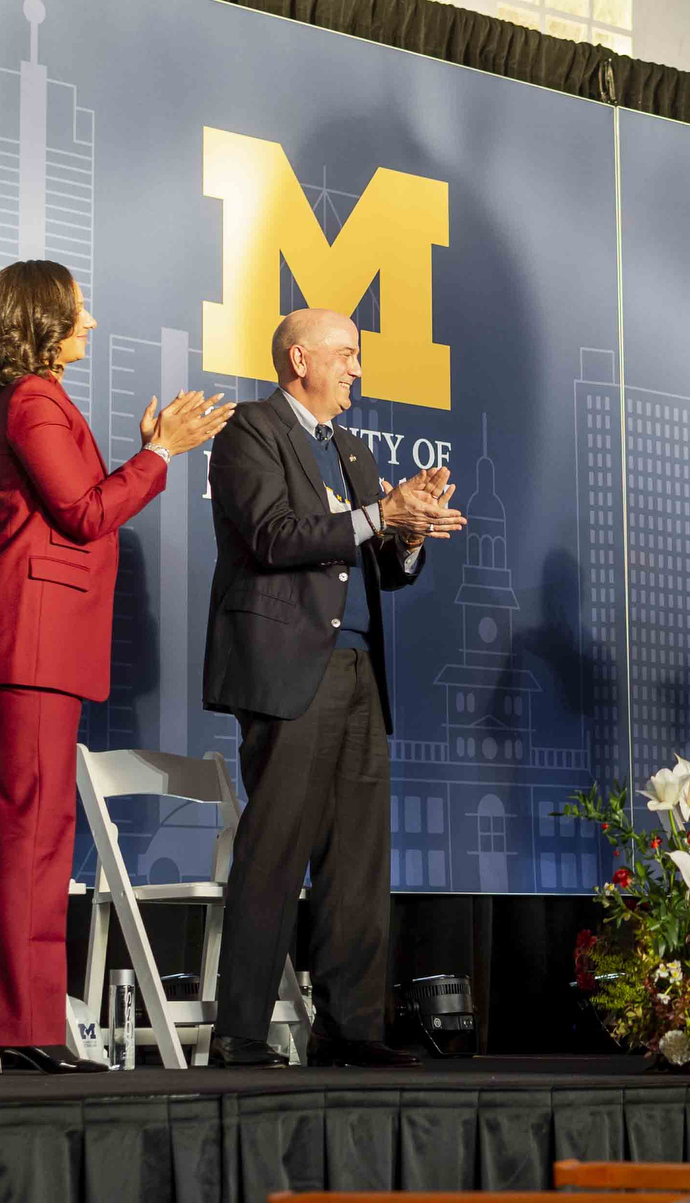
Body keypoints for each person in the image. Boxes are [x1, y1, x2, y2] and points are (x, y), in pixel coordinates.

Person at [0, 259, 230, 1074]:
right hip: (31, 636)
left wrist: (148, 452)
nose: (92, 324)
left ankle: (26, 1027)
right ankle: (20, 1029)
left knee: (42, 832)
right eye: (78, 311)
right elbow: (84, 512)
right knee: (31, 832)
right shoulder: (35, 400)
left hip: (42, 639)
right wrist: (160, 453)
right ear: (41, 319)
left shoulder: (40, 398)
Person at [203, 307, 465, 1069]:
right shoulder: (251, 431)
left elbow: (377, 566)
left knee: (357, 858)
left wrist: (408, 533)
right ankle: (240, 1035)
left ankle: (349, 1029)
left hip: (357, 671)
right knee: (275, 850)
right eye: (346, 354)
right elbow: (273, 536)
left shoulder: (349, 449)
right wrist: (381, 511)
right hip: (287, 669)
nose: (357, 368)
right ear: (298, 358)